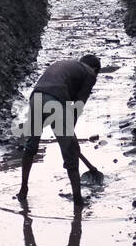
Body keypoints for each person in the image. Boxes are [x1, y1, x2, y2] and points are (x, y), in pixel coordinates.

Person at [17, 54, 103, 207]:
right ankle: (78, 201)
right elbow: (78, 107)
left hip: (36, 97)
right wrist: (71, 137)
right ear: (95, 69)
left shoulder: (66, 65)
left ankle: (23, 189)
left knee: (31, 147)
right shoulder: (90, 74)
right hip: (55, 101)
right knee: (70, 154)